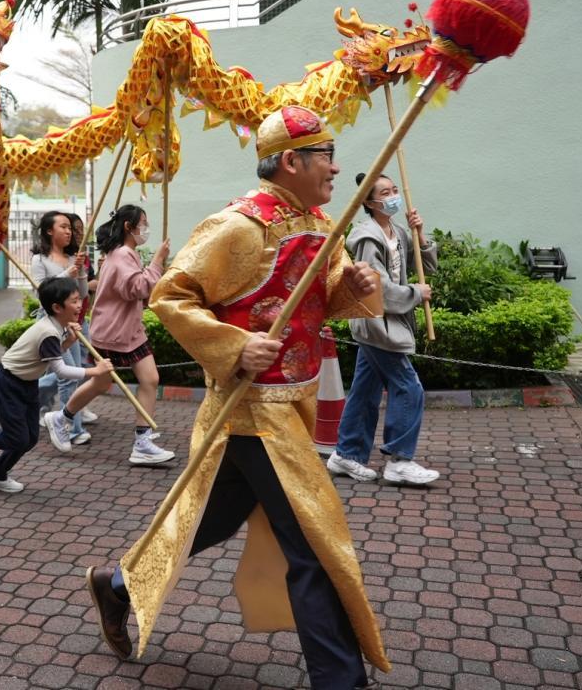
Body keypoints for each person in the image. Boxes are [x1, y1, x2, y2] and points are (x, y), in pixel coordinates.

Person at [84, 106, 389, 689]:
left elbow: (322, 297)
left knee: (214, 518)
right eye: (326, 155)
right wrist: (234, 346)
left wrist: (352, 287)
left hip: (293, 401)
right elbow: (172, 296)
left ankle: (116, 585)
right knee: (314, 541)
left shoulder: (324, 225)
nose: (335, 167)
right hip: (252, 410)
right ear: (292, 161)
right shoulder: (237, 226)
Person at [328, 174, 439, 486]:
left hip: (384, 323)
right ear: (369, 202)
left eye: (394, 190)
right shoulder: (368, 238)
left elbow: (427, 267)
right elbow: (376, 288)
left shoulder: (398, 232)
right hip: (377, 324)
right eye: (385, 193)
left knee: (365, 391)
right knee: (409, 387)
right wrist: (415, 293)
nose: (392, 197)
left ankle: (347, 454)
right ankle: (400, 460)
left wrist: (420, 233)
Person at [0, 276, 113, 493]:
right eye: (74, 301)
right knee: (16, 438)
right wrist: (95, 371)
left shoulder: (56, 326)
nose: (79, 305)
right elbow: (60, 370)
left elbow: (50, 355)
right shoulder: (48, 331)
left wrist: (69, 341)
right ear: (57, 307)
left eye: (79, 300)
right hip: (7, 382)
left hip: (27, 383)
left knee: (29, 439)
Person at [43, 204, 174, 465]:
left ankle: (142, 442)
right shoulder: (123, 254)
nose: (146, 228)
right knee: (102, 383)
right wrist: (158, 261)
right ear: (128, 226)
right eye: (143, 223)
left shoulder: (125, 253)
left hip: (127, 331)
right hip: (114, 332)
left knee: (148, 379)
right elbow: (136, 288)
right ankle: (62, 418)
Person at [29, 211, 96, 435]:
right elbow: (42, 293)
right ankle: (72, 430)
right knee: (68, 377)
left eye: (69, 228)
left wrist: (81, 271)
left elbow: (82, 294)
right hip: (50, 325)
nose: (69, 232)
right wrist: (69, 272)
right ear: (50, 231)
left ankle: (28, 391)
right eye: (63, 227)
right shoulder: (40, 260)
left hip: (70, 324)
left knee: (74, 372)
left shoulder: (71, 258)